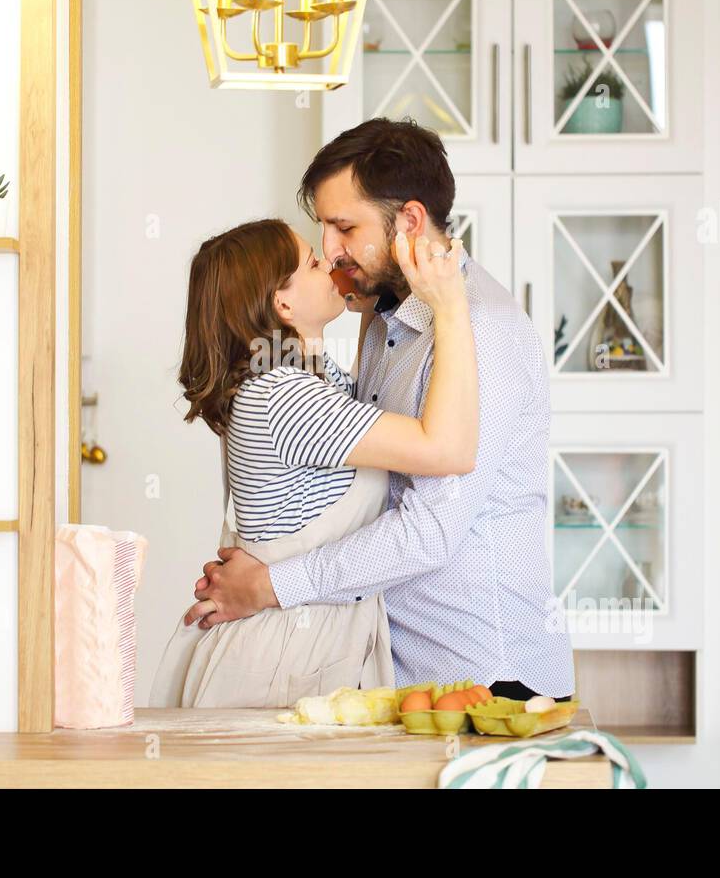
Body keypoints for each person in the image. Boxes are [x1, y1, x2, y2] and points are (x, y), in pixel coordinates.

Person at [185, 118, 576, 704]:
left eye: (344, 227)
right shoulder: (380, 316)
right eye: (322, 232)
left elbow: (428, 533)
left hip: (482, 675)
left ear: (410, 222)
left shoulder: (480, 333)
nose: (330, 251)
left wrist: (270, 583)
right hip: (387, 667)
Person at [149, 216, 477, 707]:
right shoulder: (284, 395)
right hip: (283, 660)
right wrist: (450, 308)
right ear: (282, 303)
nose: (330, 261)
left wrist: (372, 293)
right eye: (311, 262)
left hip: (297, 645)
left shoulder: (308, 382)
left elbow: (369, 399)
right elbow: (447, 449)